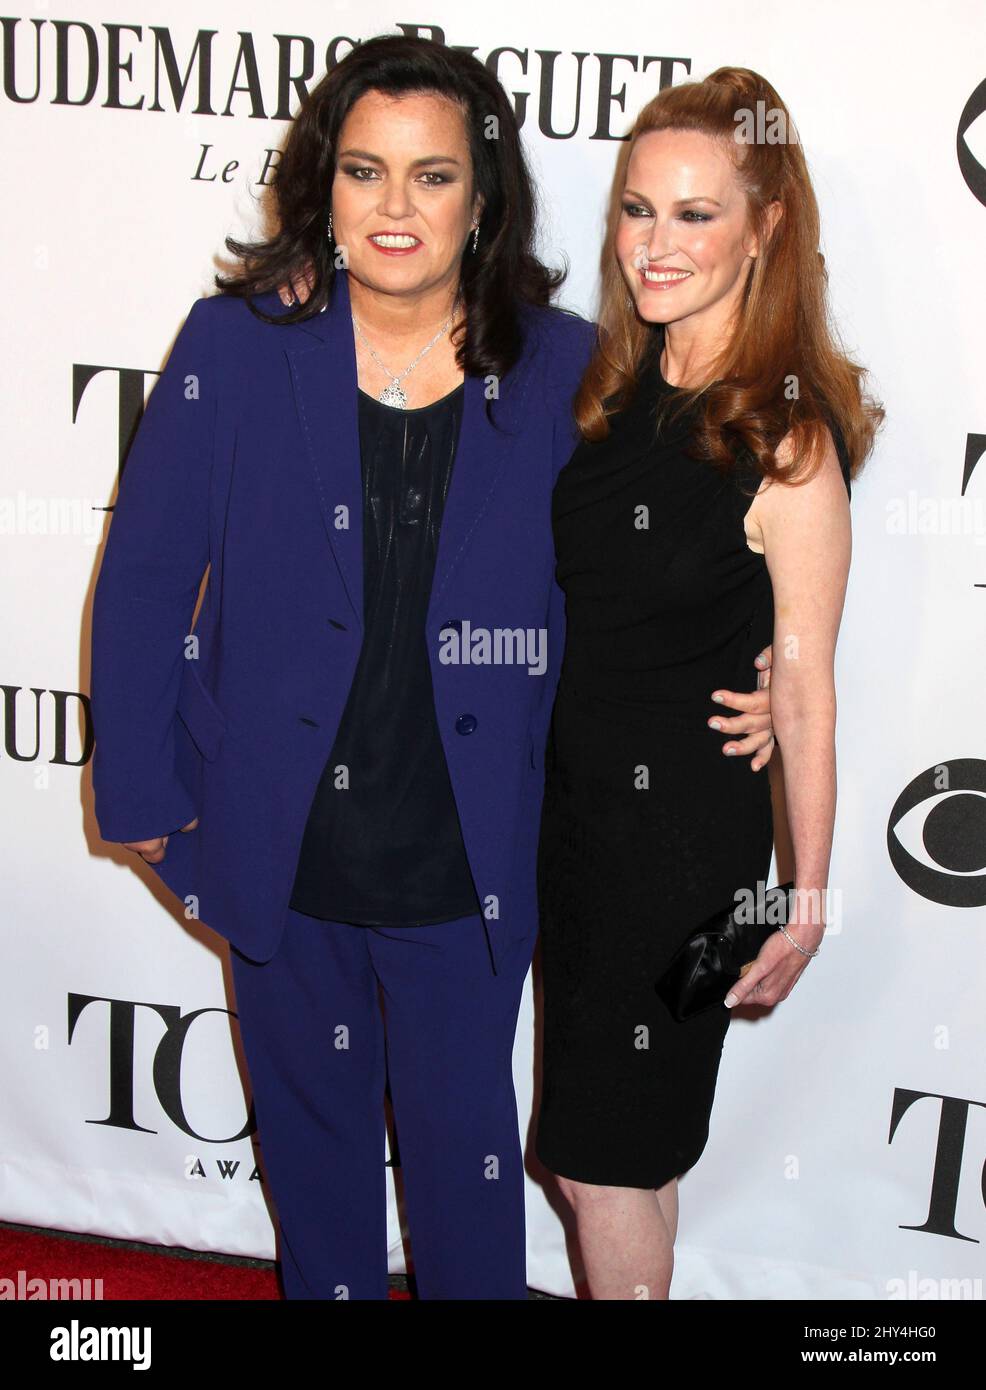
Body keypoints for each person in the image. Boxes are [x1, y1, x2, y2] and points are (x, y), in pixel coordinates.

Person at [90, 36, 776, 1301]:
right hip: (278, 855)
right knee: (316, 1180)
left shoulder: (570, 367)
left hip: (470, 863)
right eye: (364, 172)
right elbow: (142, 580)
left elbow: (672, 545)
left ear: (484, 196)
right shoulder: (236, 346)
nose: (394, 209)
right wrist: (148, 809)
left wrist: (774, 669)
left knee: (468, 1195)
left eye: (432, 176)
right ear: (324, 187)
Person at [534, 66, 883, 1300]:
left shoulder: (783, 439)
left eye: (694, 214)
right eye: (637, 209)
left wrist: (804, 895)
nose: (654, 244)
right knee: (627, 1150)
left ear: (763, 226)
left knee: (599, 1162)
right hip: (578, 830)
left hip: (684, 847)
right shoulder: (617, 391)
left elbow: (801, 689)